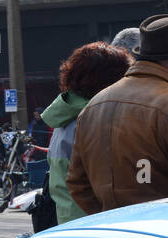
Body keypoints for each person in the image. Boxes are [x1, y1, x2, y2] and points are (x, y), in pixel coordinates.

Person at [70, 14, 168, 213]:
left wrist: (109, 217)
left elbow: (78, 184)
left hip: (112, 236)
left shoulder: (94, 106)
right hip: (166, 236)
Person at [43, 40, 133, 223]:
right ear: (109, 81)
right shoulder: (95, 119)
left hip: (70, 222)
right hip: (96, 226)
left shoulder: (65, 116)